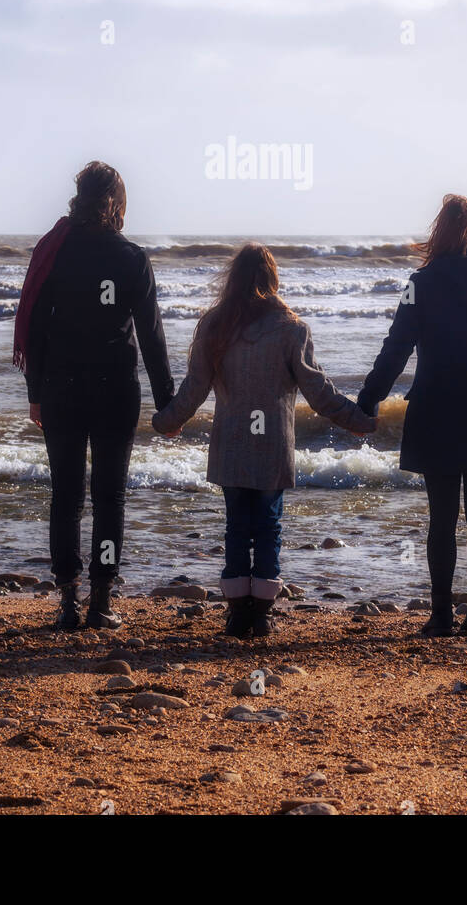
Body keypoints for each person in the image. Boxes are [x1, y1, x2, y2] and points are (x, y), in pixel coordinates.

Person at [152, 243, 376, 638]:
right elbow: (318, 390)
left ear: (233, 279)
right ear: (272, 279)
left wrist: (167, 420)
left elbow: (195, 387)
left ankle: (239, 613)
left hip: (232, 442)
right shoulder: (291, 329)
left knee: (237, 526)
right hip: (272, 443)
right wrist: (355, 420)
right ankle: (262, 615)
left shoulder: (214, 326)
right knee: (269, 526)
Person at [357, 195, 467, 637]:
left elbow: (396, 348)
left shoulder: (423, 282)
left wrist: (368, 399)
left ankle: (440, 617)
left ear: (441, 233)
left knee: (442, 516)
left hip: (437, 406)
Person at [14, 161, 174, 631]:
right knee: (109, 496)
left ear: (78, 197)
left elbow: (37, 327)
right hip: (114, 391)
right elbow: (152, 336)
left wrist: (35, 391)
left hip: (61, 389)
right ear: (118, 203)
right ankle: (101, 601)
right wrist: (168, 402)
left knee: (65, 495)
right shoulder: (131, 257)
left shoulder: (55, 252)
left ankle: (66, 600)